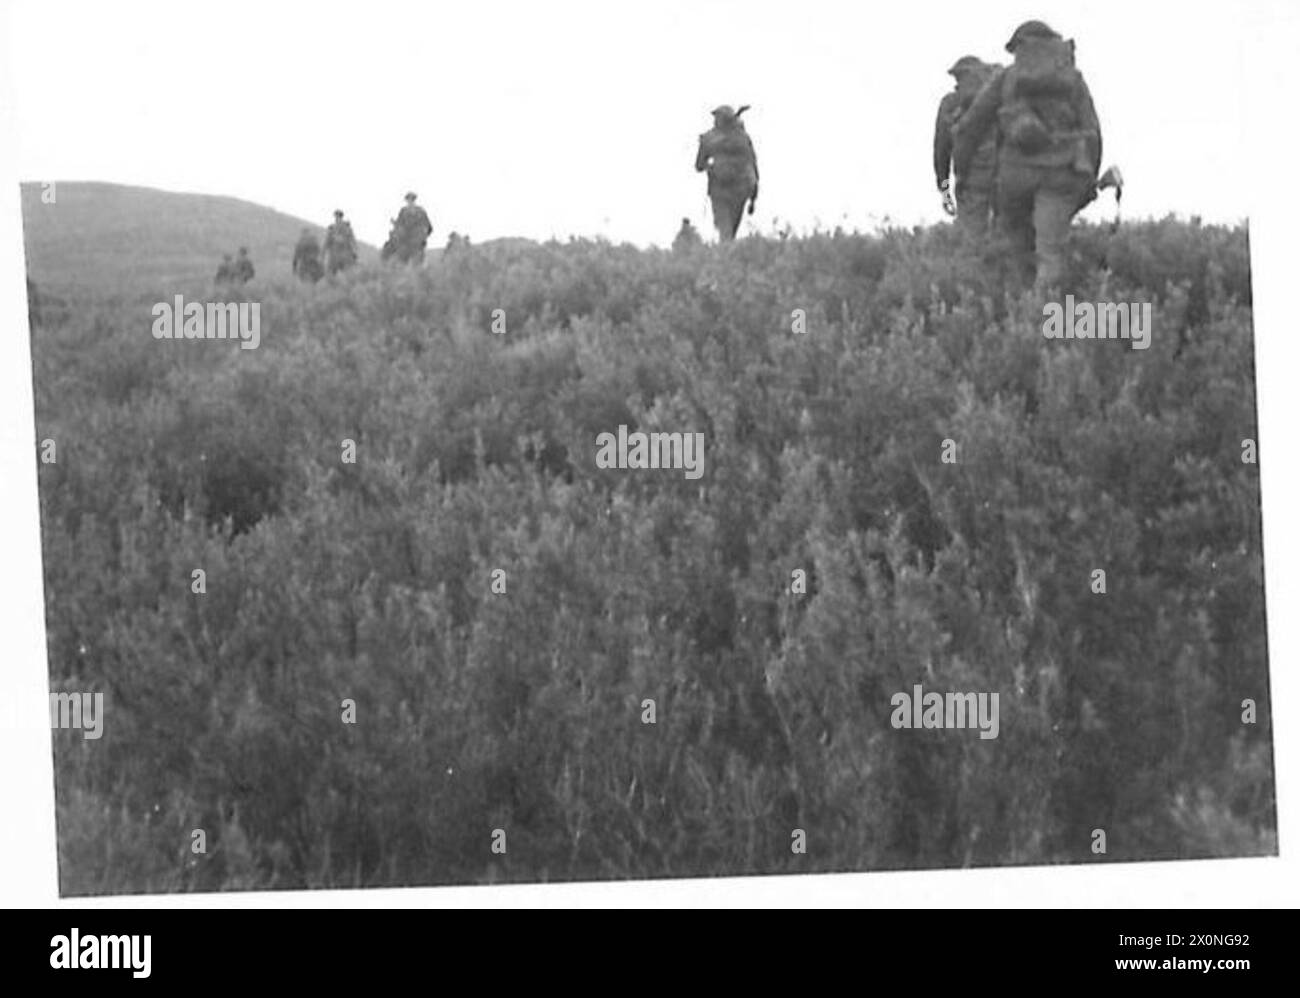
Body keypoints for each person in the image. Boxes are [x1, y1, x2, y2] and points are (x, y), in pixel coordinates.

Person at [953, 20, 1102, 288]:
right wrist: (1088, 178)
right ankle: (1044, 319)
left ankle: (1016, 314)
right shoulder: (1072, 79)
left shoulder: (1007, 78)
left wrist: (961, 174)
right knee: (1050, 253)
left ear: (1018, 48)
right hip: (1062, 173)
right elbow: (1093, 132)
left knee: (1013, 246)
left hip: (1014, 175)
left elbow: (970, 127)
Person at [934, 56, 1000, 235]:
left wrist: (944, 188)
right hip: (1008, 176)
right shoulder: (999, 97)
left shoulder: (951, 103)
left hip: (971, 180)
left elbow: (942, 152)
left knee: (972, 238)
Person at [694, 105, 759, 242]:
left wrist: (710, 166)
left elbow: (699, 166)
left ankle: (725, 256)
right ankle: (727, 256)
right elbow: (753, 163)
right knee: (729, 231)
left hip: (724, 190)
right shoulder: (743, 137)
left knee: (726, 231)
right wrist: (754, 195)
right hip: (738, 189)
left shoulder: (709, 138)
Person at [390, 191, 434, 264]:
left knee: (417, 263)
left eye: (411, 199)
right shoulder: (403, 211)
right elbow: (399, 225)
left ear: (414, 200)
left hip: (416, 242)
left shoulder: (420, 211)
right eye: (409, 199)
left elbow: (429, 227)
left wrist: (423, 237)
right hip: (407, 242)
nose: (410, 201)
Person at [323, 210, 358, 275]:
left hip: (338, 256)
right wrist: (354, 253)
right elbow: (327, 242)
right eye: (336, 217)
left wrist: (354, 253)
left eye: (337, 217)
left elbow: (352, 241)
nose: (336, 219)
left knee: (334, 275)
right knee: (342, 274)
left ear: (340, 217)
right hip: (339, 256)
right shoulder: (335, 228)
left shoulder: (333, 228)